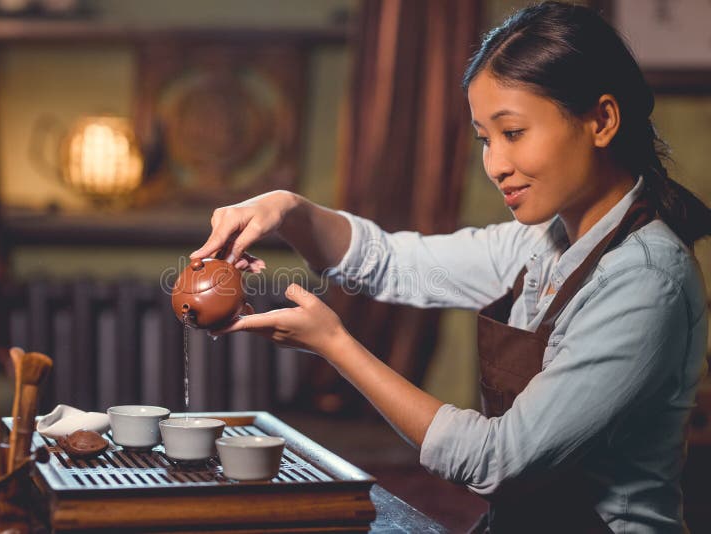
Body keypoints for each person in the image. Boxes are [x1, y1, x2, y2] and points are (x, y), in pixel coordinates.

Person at [190, 2, 710, 532]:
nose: (496, 165)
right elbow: (388, 263)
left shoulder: (645, 281)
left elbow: (497, 461)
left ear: (601, 121)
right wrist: (288, 209)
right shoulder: (535, 246)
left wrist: (335, 345)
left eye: (513, 133)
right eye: (485, 139)